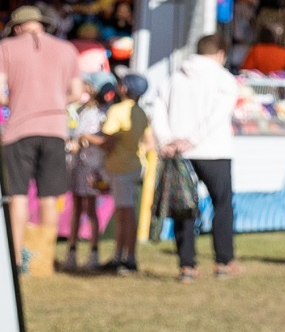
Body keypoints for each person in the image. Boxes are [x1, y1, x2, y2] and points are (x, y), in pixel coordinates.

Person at [0, 6, 88, 277]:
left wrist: (19, 103)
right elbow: (77, 93)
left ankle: (16, 258)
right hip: (55, 129)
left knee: (17, 195)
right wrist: (53, 102)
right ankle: (44, 260)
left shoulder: (5, 48)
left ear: (17, 27)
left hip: (19, 130)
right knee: (49, 196)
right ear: (41, 25)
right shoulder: (67, 50)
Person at [151, 35, 242, 283]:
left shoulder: (172, 78)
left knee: (184, 208)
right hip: (214, 151)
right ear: (220, 54)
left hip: (180, 154)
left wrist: (168, 140)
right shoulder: (224, 79)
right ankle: (224, 260)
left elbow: (157, 111)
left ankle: (187, 265)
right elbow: (218, 115)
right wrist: (192, 138)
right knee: (222, 205)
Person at [100, 72, 153, 276]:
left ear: (124, 88)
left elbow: (108, 140)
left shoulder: (118, 111)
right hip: (134, 165)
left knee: (125, 213)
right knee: (125, 212)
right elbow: (149, 143)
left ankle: (127, 257)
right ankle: (122, 255)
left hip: (121, 166)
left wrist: (86, 137)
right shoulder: (140, 112)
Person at [64, 83, 112, 273]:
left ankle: (93, 252)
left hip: (93, 167)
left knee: (90, 209)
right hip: (78, 166)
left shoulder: (102, 113)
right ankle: (72, 251)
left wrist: (85, 138)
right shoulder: (81, 110)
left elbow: (105, 141)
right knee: (76, 207)